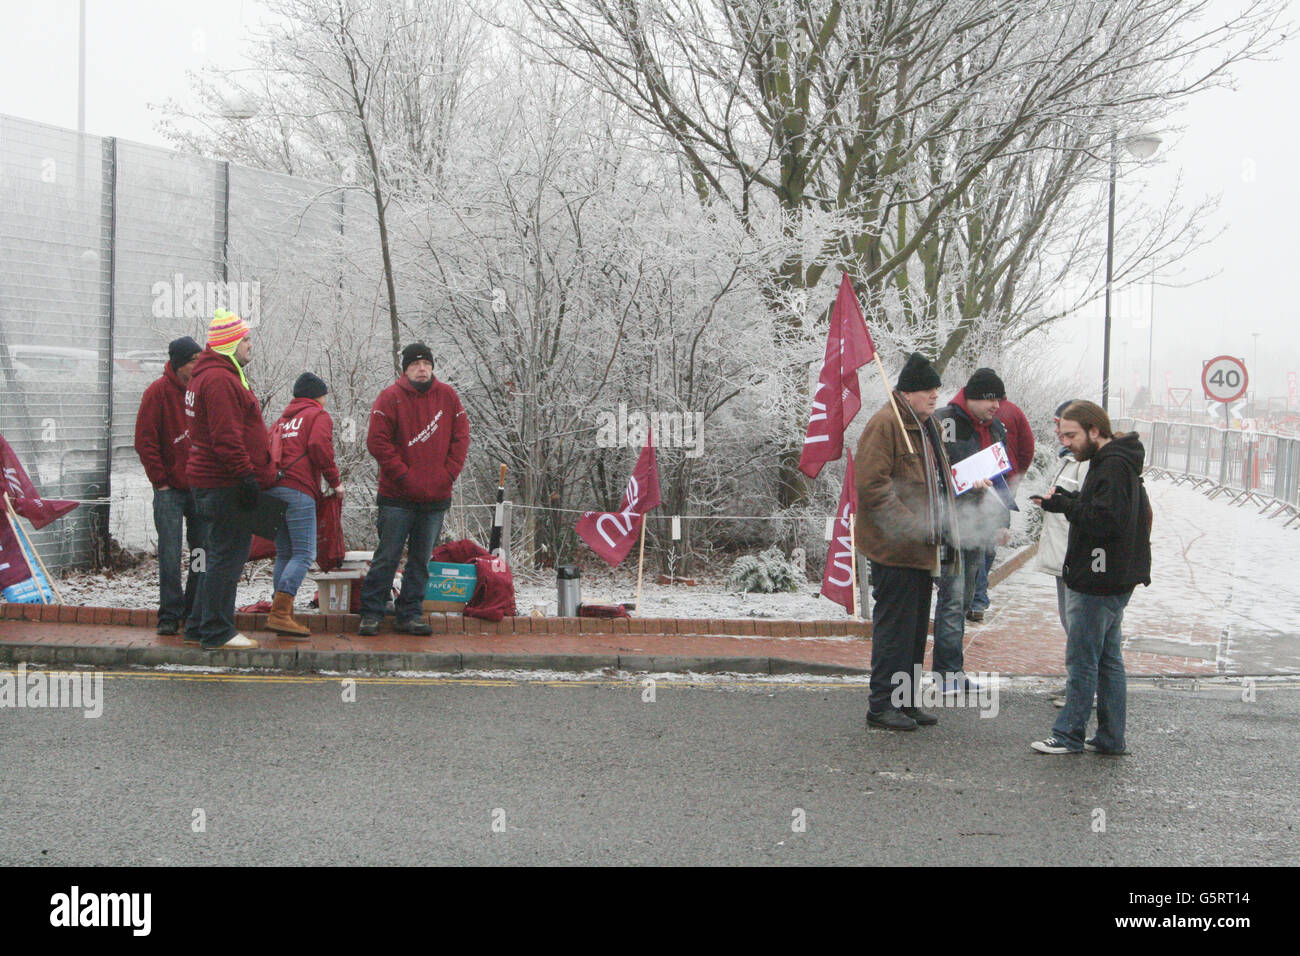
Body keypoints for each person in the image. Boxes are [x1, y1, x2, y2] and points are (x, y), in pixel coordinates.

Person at [1030, 401, 1152, 755]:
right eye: (1061, 435)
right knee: (1108, 659)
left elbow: (1104, 521)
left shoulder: (1111, 466)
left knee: (1083, 659)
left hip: (1098, 578)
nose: (1066, 442)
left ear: (1095, 431)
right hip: (1114, 576)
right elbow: (1103, 509)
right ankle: (1111, 738)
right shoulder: (1114, 461)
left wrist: (1067, 506)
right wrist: (1068, 500)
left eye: (1071, 435)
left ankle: (1068, 735)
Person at [854, 352, 959, 731]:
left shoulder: (924, 425)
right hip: (895, 547)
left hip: (921, 548)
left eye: (936, 390)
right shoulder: (886, 424)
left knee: (914, 633)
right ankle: (882, 705)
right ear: (908, 392)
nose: (935, 396)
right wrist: (912, 525)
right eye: (928, 390)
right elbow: (872, 487)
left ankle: (906, 701)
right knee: (894, 633)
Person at [358, 343, 470, 637]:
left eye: (426, 363)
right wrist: (403, 475)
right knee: (388, 556)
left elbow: (461, 439)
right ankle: (371, 613)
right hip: (397, 497)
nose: (422, 368)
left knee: (421, 559)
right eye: (415, 364)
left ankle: (409, 614)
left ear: (433, 367)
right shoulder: (389, 398)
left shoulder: (448, 397)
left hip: (435, 497)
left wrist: (448, 475)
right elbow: (377, 442)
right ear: (405, 369)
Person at [185, 310, 277, 650]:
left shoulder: (207, 375)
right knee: (227, 556)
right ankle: (217, 630)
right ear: (229, 344)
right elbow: (226, 436)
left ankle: (197, 625)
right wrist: (246, 476)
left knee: (214, 555)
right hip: (226, 483)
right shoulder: (221, 380)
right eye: (246, 340)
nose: (250, 345)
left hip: (211, 480)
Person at [932, 368, 1009, 693]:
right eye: (992, 400)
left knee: (963, 600)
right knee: (952, 598)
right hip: (950, 526)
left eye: (999, 400)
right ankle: (947, 675)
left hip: (979, 527)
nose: (997, 406)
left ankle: (953, 670)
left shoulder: (997, 428)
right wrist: (964, 486)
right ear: (974, 397)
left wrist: (1002, 521)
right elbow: (932, 472)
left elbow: (1003, 477)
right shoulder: (942, 421)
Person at [133, 336, 209, 636]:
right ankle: (169, 613)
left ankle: (194, 608)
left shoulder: (201, 390)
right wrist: (161, 481)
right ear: (179, 365)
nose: (198, 365)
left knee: (201, 552)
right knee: (169, 553)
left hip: (200, 488)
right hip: (170, 492)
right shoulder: (158, 393)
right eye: (193, 361)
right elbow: (145, 440)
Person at [264, 372, 344, 639]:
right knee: (304, 553)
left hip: (274, 491)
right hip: (299, 490)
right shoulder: (318, 416)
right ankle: (281, 614)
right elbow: (319, 447)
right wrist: (335, 481)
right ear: (317, 395)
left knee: (285, 553)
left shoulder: (281, 420)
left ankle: (280, 612)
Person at [1033, 399, 1089, 708]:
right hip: (1062, 557)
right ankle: (1077, 685)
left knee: (1080, 627)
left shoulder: (1085, 463)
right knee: (1072, 625)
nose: (1058, 434)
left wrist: (1060, 502)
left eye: (1064, 427)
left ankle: (1085, 690)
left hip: (1074, 557)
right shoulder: (1068, 459)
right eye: (1056, 426)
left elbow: (1085, 509)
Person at [969, 393, 1035, 620]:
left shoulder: (978, 415)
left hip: (983, 483)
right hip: (1002, 484)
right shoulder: (1014, 411)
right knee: (989, 540)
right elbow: (1028, 447)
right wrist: (1016, 475)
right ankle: (978, 597)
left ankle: (976, 597)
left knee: (978, 538)